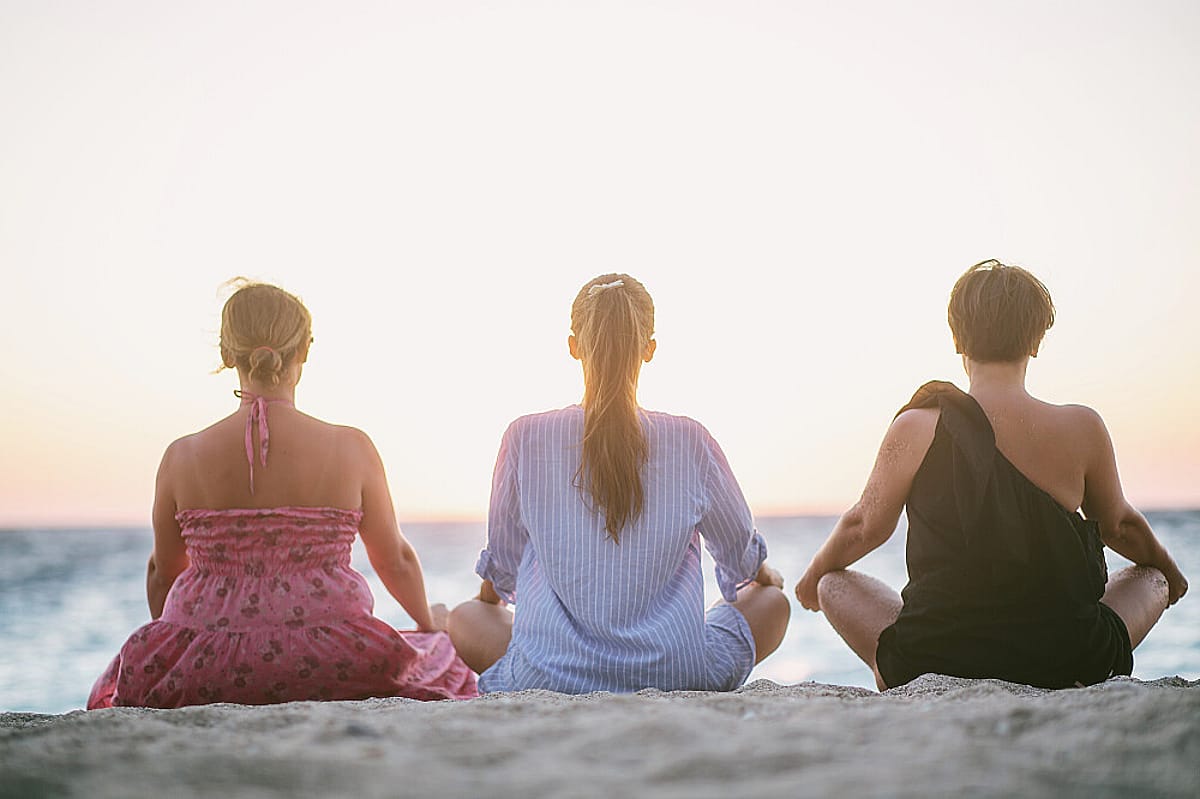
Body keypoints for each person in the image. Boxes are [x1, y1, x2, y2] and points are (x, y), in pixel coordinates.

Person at [795, 260, 1188, 691]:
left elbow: (863, 525)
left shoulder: (918, 426)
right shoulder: (1082, 427)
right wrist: (1171, 573)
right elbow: (1122, 527)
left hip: (935, 656)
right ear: (1036, 341)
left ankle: (899, 674)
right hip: (1070, 656)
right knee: (1150, 578)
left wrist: (815, 576)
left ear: (958, 338)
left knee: (835, 584)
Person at [88, 281, 477, 708]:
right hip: (333, 656)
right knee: (445, 659)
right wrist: (427, 625)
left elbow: (162, 572)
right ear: (304, 351)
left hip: (208, 664)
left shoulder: (181, 456)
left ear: (225, 353)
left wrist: (182, 642)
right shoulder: (351, 447)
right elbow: (394, 558)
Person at [447, 274, 791, 694]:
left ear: (573, 346)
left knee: (462, 617)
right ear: (649, 350)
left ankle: (556, 653)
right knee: (773, 602)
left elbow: (502, 567)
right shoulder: (691, 440)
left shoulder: (523, 436)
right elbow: (740, 560)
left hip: (550, 677)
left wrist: (489, 603)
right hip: (674, 672)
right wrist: (763, 575)